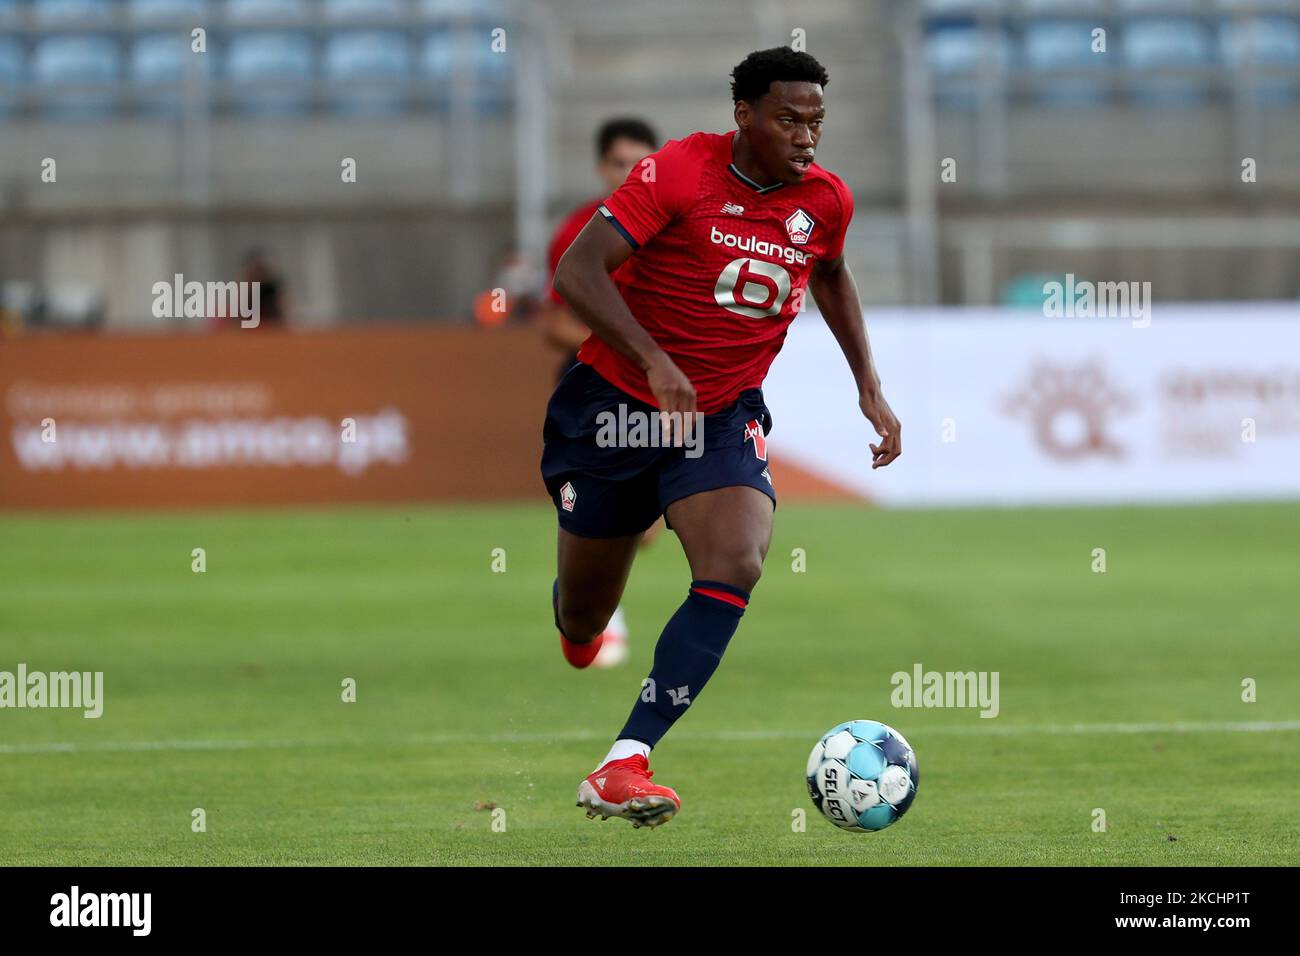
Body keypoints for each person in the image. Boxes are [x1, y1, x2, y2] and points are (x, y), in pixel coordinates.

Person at [542, 47, 902, 828]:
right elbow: (578, 271)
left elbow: (831, 274)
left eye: (816, 122)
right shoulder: (680, 172)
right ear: (743, 115)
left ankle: (624, 761)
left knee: (737, 560)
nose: (806, 137)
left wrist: (867, 384)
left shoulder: (826, 200)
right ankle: (579, 621)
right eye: (787, 119)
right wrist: (652, 359)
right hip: (614, 411)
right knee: (583, 616)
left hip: (719, 416)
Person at [540, 117, 661, 667]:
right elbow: (553, 324)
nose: (630, 174)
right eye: (620, 164)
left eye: (641, 163)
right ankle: (591, 606)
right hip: (597, 392)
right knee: (611, 512)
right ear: (599, 167)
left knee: (649, 527)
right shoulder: (578, 232)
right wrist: (617, 340)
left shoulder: (672, 224)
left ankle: (587, 596)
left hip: (660, 389)